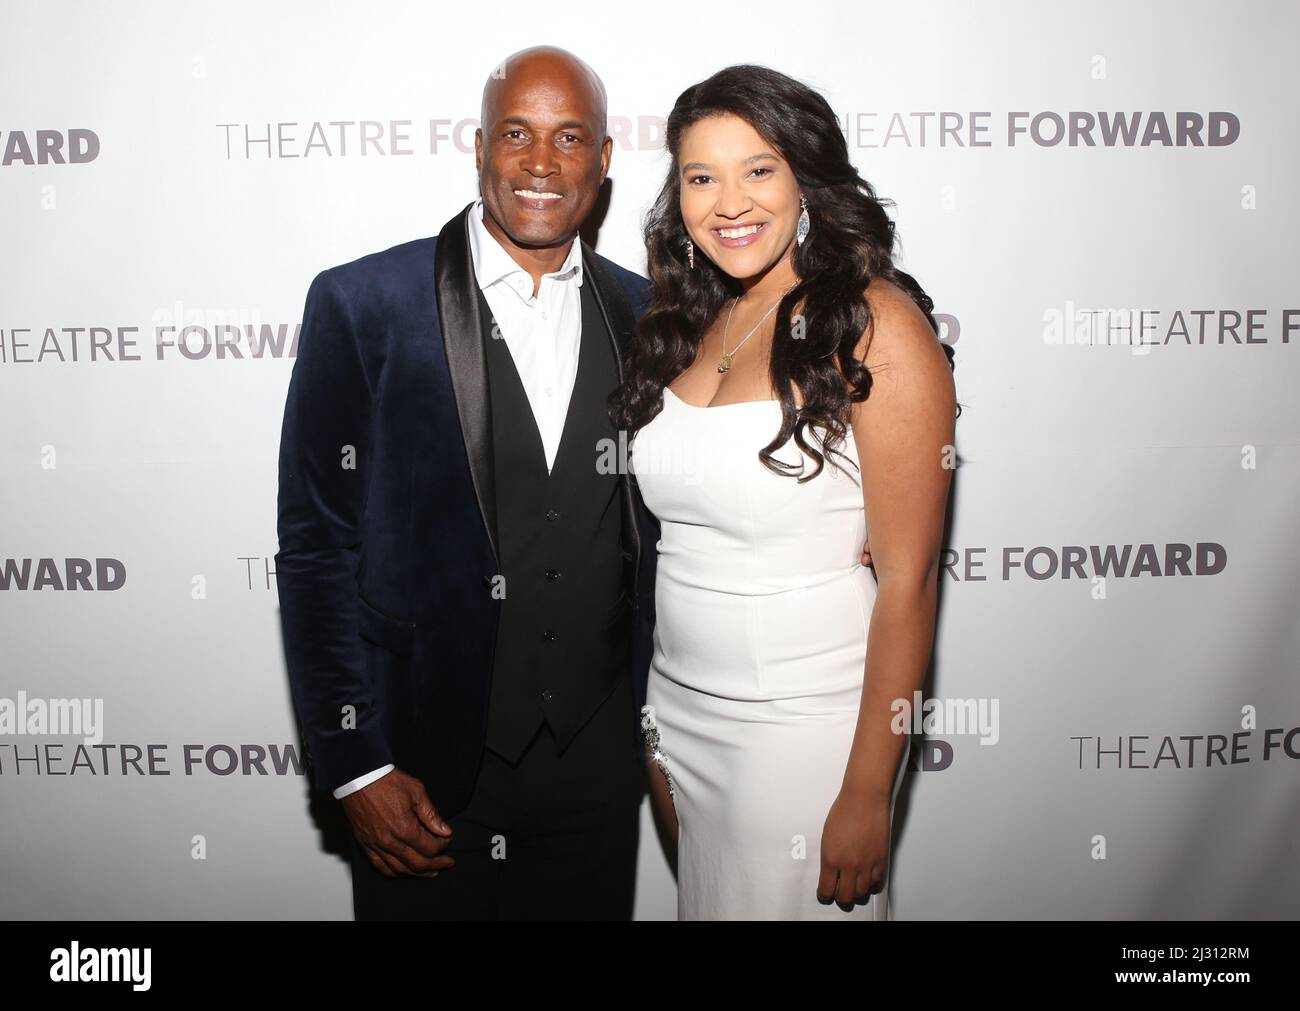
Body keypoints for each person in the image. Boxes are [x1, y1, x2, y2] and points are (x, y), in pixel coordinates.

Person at [274, 46, 658, 920]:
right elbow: (315, 548)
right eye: (516, 133)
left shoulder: (652, 313)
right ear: (479, 147)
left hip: (596, 773)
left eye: (570, 138)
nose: (540, 161)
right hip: (425, 776)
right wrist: (357, 762)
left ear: (603, 163)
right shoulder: (363, 304)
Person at [612, 64, 958, 920]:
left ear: (805, 178)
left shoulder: (877, 325)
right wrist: (660, 722)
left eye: (757, 169)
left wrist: (868, 789)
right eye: (702, 176)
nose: (729, 201)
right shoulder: (691, 321)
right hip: (677, 720)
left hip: (800, 734)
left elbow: (909, 580)